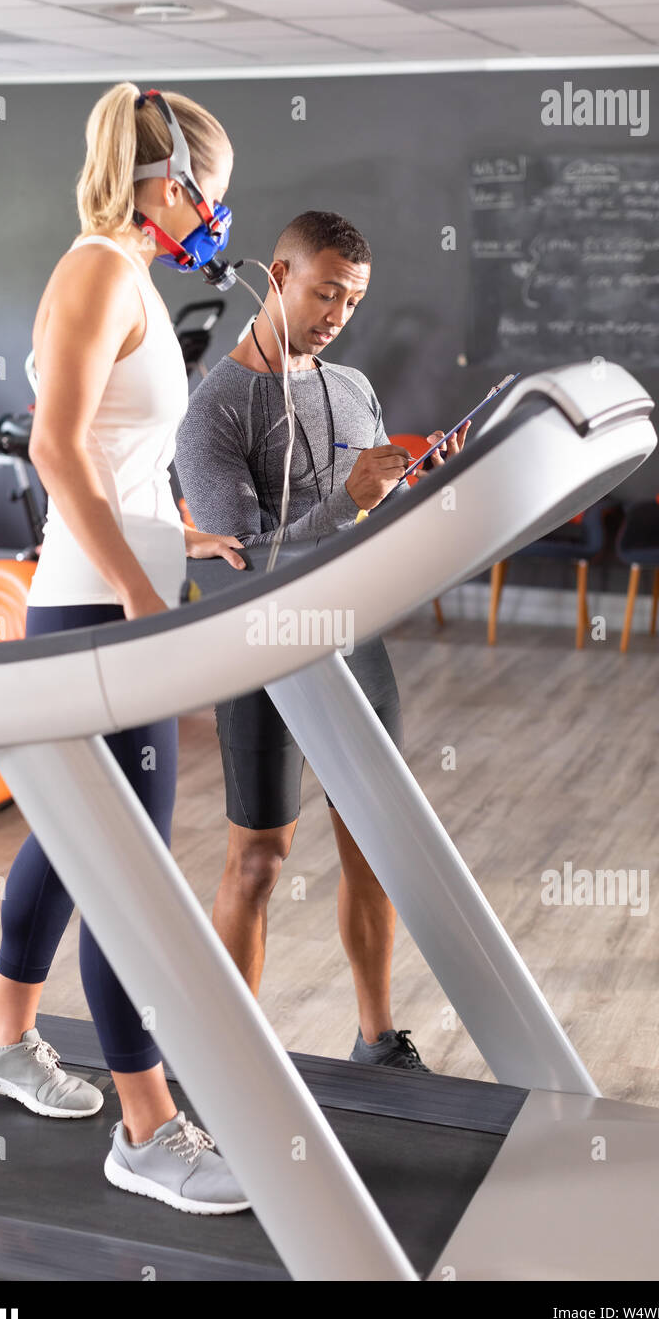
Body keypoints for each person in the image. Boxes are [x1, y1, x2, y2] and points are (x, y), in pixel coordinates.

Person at [0, 83, 252, 1215]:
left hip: (115, 594)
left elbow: (120, 464)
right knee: (128, 874)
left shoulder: (125, 273)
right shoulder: (95, 270)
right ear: (166, 183)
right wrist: (135, 587)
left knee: (80, 846)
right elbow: (52, 445)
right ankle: (147, 1128)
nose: (214, 221)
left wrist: (178, 533)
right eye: (209, 199)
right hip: (91, 614)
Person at [175, 210, 468, 1072]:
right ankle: (237, 1060)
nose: (339, 313)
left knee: (374, 848)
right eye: (326, 291)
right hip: (264, 659)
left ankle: (377, 1036)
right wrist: (349, 498)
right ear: (278, 275)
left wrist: (412, 489)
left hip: (356, 645)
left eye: (354, 299)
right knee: (260, 862)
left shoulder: (353, 386)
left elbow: (365, 524)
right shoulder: (214, 412)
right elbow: (243, 567)